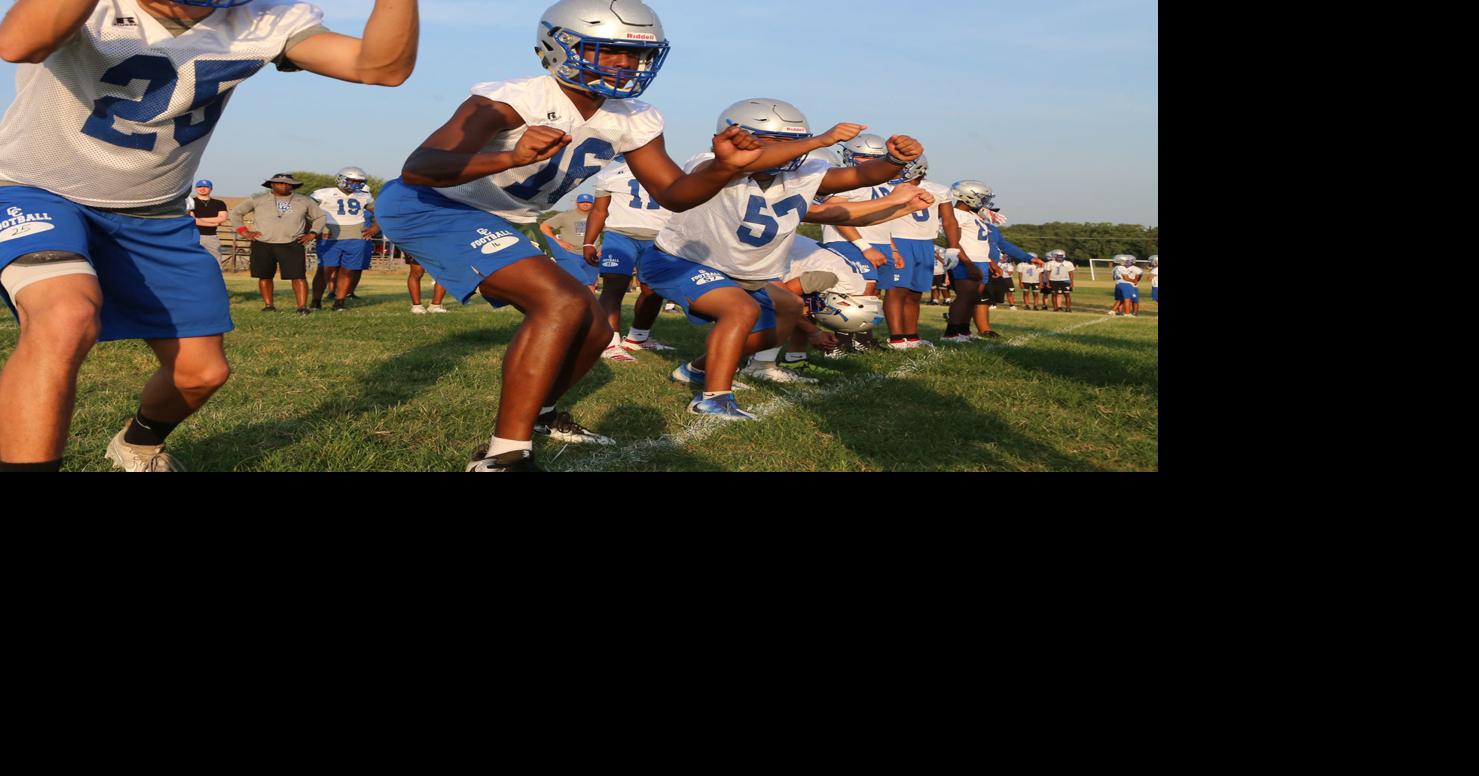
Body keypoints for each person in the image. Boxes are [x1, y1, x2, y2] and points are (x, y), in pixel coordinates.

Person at [0, 0, 419, 473]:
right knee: (65, 316)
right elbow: (18, 42)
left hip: (154, 212)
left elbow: (381, 67)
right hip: (35, 188)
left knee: (201, 373)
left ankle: (137, 444)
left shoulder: (266, 18)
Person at [374, 0, 790, 472]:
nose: (626, 65)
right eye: (609, 51)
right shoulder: (511, 100)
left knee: (594, 326)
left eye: (635, 55)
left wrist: (722, 168)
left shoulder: (635, 116)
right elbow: (421, 168)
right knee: (560, 303)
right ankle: (504, 456)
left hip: (496, 215)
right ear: (560, 46)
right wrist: (508, 157)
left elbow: (673, 193)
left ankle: (543, 414)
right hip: (431, 204)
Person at [649, 97, 927, 409]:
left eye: (795, 142)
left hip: (747, 272)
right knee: (740, 310)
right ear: (732, 136)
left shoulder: (800, 177)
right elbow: (737, 166)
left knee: (788, 311)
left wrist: (893, 162)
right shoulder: (711, 164)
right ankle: (714, 400)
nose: (794, 150)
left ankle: (700, 368)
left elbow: (859, 179)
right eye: (779, 142)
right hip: (683, 261)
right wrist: (820, 139)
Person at [584, 157, 676, 362]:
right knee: (614, 286)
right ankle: (609, 342)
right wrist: (589, 242)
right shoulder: (609, 176)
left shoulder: (669, 172)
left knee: (653, 290)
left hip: (659, 237)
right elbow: (599, 210)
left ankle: (638, 338)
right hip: (620, 235)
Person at [881, 155, 954, 349]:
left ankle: (911, 337)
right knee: (896, 290)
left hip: (925, 243)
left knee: (915, 292)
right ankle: (896, 338)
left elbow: (949, 220)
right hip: (898, 239)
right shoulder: (886, 186)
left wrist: (953, 248)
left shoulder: (938, 190)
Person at [231, 173, 326, 314]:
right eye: (280, 183)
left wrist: (313, 233)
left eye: (288, 183)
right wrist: (244, 232)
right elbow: (236, 213)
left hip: (292, 242)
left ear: (293, 185)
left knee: (298, 276)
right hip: (263, 242)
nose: (284, 185)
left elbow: (319, 216)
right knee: (265, 275)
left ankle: (302, 307)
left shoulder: (304, 200)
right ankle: (269, 305)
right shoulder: (258, 199)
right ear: (272, 185)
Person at [309, 166, 378, 311]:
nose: (355, 184)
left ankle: (339, 302)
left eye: (359, 182)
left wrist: (374, 228)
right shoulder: (323, 194)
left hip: (355, 236)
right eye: (352, 181)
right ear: (341, 179)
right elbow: (306, 210)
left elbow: (379, 212)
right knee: (325, 270)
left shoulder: (364, 195)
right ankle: (316, 301)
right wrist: (319, 228)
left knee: (349, 270)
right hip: (330, 236)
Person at [940, 180, 1000, 343]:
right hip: (965, 260)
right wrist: (967, 263)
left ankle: (964, 332)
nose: (984, 201)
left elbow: (977, 242)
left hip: (979, 260)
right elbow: (954, 242)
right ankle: (951, 333)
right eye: (982, 197)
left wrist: (990, 262)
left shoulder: (972, 215)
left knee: (972, 298)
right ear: (969, 196)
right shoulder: (956, 214)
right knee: (964, 297)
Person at [540, 193, 599, 292]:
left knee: (590, 283)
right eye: (582, 202)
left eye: (588, 202)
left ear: (593, 204)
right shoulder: (565, 216)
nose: (585, 204)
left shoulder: (599, 217)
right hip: (571, 254)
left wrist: (602, 248)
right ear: (577, 203)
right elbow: (544, 226)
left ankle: (592, 306)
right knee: (570, 282)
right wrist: (558, 242)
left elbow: (611, 231)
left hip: (592, 255)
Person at [186, 179, 229, 262]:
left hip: (212, 237)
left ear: (211, 189)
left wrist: (199, 219)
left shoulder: (219, 203)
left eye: (206, 187)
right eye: (199, 186)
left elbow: (222, 218)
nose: (202, 188)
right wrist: (213, 224)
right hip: (193, 236)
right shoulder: (190, 202)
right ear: (195, 188)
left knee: (215, 260)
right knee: (192, 260)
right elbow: (192, 220)